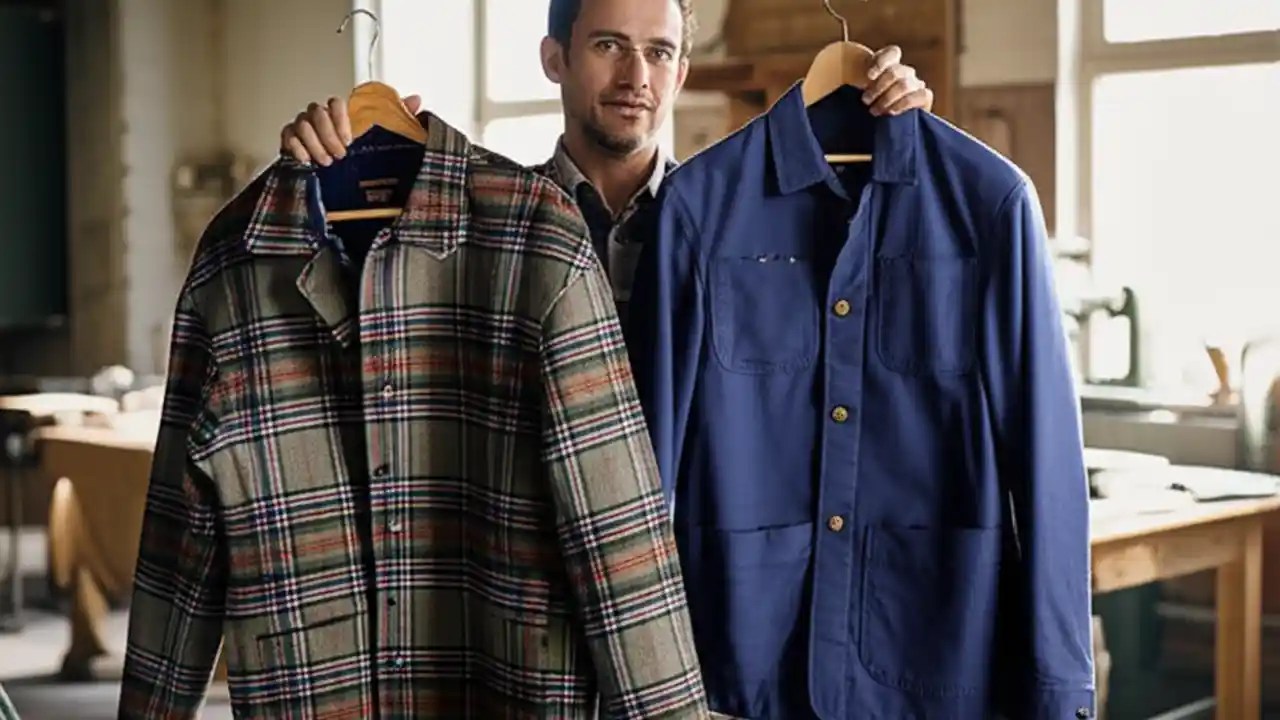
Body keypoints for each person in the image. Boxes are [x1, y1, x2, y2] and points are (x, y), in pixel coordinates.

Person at [280, 0, 933, 312]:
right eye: (608, 46)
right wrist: (336, 172)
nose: (635, 78)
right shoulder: (480, 223)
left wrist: (899, 139)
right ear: (554, 58)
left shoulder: (742, 225)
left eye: (658, 52)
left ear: (679, 74)